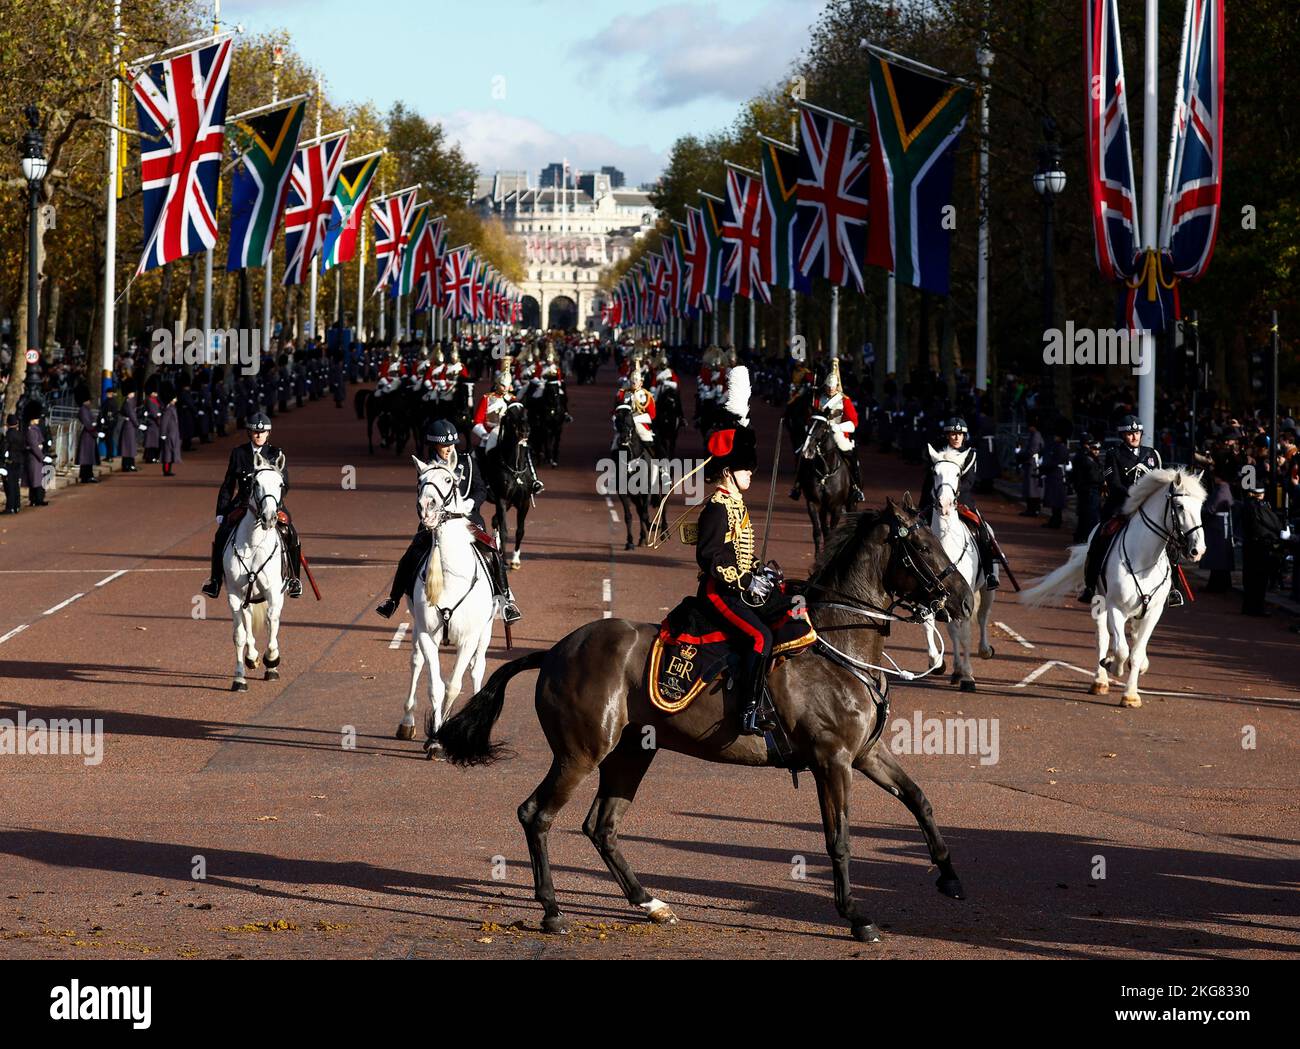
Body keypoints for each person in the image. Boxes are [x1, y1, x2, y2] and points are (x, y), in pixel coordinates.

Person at [376, 418, 521, 624]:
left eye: (452, 444)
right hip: (435, 523)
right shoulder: (428, 467)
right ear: (434, 445)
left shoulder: (467, 461)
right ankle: (393, 599)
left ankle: (506, 600)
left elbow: (480, 489)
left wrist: (471, 502)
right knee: (411, 555)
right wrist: (429, 518)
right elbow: (424, 498)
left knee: (491, 551)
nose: (449, 449)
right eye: (444, 445)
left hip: (467, 520)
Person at [694, 425, 786, 736]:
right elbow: (709, 558)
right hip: (719, 592)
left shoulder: (736, 503)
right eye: (746, 469)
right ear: (729, 471)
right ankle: (748, 709)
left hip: (739, 587)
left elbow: (740, 553)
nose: (751, 474)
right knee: (761, 638)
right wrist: (744, 582)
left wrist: (760, 571)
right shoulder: (718, 508)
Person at [201, 413, 302, 600]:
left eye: (262, 431)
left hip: (270, 503)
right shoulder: (239, 453)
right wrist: (221, 511)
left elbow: (285, 483)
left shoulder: (276, 453)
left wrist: (274, 501)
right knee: (221, 534)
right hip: (243, 502)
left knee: (291, 532)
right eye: (255, 431)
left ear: (268, 433)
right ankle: (215, 581)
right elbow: (229, 483)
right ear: (249, 432)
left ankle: (294, 579)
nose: (259, 435)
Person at [1079, 415, 1162, 603]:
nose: (1134, 437)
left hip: (1148, 508)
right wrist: (1136, 496)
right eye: (1130, 433)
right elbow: (1114, 484)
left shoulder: (1151, 454)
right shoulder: (1113, 454)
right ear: (1123, 435)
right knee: (1100, 538)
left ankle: (1172, 587)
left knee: (1169, 538)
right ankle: (1091, 584)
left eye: (1137, 433)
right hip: (1122, 506)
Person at [918, 417, 1000, 590]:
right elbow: (929, 483)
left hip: (963, 502)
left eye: (960, 434)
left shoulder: (970, 454)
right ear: (947, 435)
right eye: (953, 434)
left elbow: (969, 482)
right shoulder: (938, 455)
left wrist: (953, 495)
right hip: (936, 502)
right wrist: (922, 506)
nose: (956, 437)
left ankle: (989, 572)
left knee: (983, 530)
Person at [796, 360, 865, 503]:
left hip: (838, 434)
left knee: (851, 457)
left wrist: (838, 427)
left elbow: (854, 423)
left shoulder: (844, 401)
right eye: (828, 387)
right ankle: (797, 485)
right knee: (804, 454)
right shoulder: (818, 398)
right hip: (819, 432)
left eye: (832, 388)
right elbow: (810, 415)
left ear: (836, 387)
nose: (830, 390)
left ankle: (856, 487)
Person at [1240, 478, 1286, 616]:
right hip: (1260, 547)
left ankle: (1248, 607)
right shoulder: (1259, 507)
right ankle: (1256, 608)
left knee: (1249, 578)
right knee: (1259, 580)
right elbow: (1276, 525)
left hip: (1249, 546)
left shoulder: (1246, 506)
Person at [1071, 434, 1104, 543]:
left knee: (1085, 515)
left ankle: (1081, 536)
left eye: (1098, 449)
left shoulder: (1090, 458)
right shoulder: (1085, 458)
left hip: (1088, 490)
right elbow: (1093, 476)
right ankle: (1086, 538)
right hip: (1088, 490)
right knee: (1090, 517)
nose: (1096, 451)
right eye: (1093, 448)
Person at [23, 407, 51, 507]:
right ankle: (37, 499)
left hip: (36, 458)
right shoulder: (31, 430)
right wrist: (42, 457)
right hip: (34, 458)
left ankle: (35, 499)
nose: (38, 419)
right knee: (36, 480)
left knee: (36, 479)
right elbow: (34, 446)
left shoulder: (34, 429)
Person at [75, 384, 101, 484]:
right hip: (87, 436)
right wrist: (95, 432)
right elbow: (88, 424)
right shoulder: (83, 410)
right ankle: (87, 476)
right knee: (87, 457)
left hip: (89, 435)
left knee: (88, 457)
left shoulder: (85, 409)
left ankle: (87, 475)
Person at [159, 383, 181, 477]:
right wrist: (163, 433)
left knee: (171, 452)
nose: (176, 399)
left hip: (173, 434)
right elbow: (164, 422)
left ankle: (169, 469)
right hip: (168, 434)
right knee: (167, 453)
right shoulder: (168, 409)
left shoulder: (172, 408)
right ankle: (166, 470)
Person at [2, 414, 23, 513]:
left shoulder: (8, 435)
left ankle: (10, 507)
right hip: (19, 461)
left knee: (9, 485)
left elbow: (5, 449)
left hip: (9, 462)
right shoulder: (20, 434)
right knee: (16, 484)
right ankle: (17, 505)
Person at [119, 388, 140, 471]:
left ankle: (127, 465)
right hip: (129, 426)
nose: (133, 394)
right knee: (129, 447)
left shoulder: (128, 402)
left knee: (128, 447)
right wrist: (137, 424)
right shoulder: (128, 402)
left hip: (129, 425)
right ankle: (129, 465)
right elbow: (132, 414)